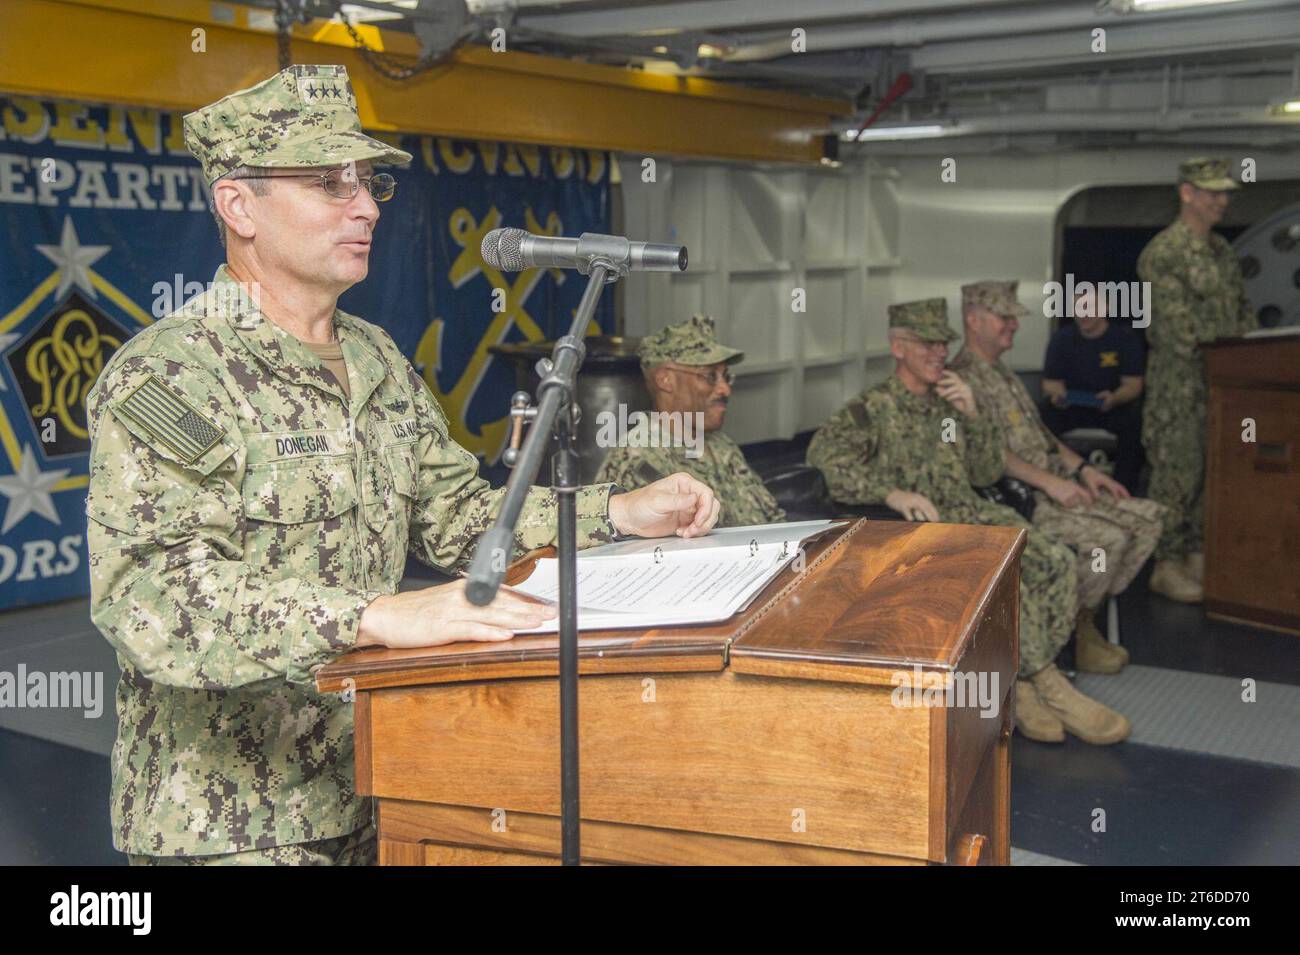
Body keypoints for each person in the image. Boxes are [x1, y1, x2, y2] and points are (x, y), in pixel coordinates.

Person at [85, 65, 720, 865]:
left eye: (368, 180)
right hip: (233, 827)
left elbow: (458, 519)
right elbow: (152, 600)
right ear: (238, 204)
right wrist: (375, 616)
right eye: (328, 183)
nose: (367, 205)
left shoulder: (376, 358)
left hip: (381, 777)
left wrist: (619, 512)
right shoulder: (172, 375)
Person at [807, 298, 1129, 745]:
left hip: (974, 514)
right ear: (898, 347)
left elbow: (983, 472)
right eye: (927, 344)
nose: (940, 353)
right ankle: (1050, 686)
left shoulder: (950, 404)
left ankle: (1025, 685)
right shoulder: (872, 409)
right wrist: (891, 494)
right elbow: (825, 457)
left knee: (1053, 560)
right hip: (926, 532)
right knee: (1006, 575)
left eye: (944, 344)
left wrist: (974, 415)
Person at [950, 280, 1170, 671]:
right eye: (1005, 318)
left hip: (1056, 482)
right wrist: (1052, 483)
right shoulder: (962, 379)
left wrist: (1083, 470)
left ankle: (1081, 616)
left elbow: (1042, 437)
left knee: (1150, 519)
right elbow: (989, 455)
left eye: (1014, 319)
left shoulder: (1002, 372)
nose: (1013, 326)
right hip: (1026, 496)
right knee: (1109, 542)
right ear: (974, 320)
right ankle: (1070, 634)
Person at [1137, 157, 1257, 601]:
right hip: (1180, 391)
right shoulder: (1163, 254)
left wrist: (1248, 352)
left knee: (1213, 477)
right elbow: (1176, 331)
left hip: (1223, 390)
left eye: (1226, 192)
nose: (1222, 201)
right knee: (1176, 478)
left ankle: (1199, 559)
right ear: (1187, 193)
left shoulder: (1222, 252)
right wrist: (1230, 348)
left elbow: (1242, 313)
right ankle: (1165, 566)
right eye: (1213, 192)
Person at [594, 314, 785, 527]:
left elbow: (773, 518)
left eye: (726, 376)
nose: (725, 389)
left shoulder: (720, 445)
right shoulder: (635, 460)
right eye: (710, 376)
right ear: (665, 380)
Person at [1040, 285, 1146, 492]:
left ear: (1104, 308)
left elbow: (1133, 385)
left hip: (1111, 406)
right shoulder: (1062, 339)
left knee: (1135, 423)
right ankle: (1052, 484)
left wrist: (1115, 398)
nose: (1083, 313)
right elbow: (1050, 382)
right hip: (1070, 407)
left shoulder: (1124, 339)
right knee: (1041, 418)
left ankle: (1124, 490)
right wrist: (1057, 395)